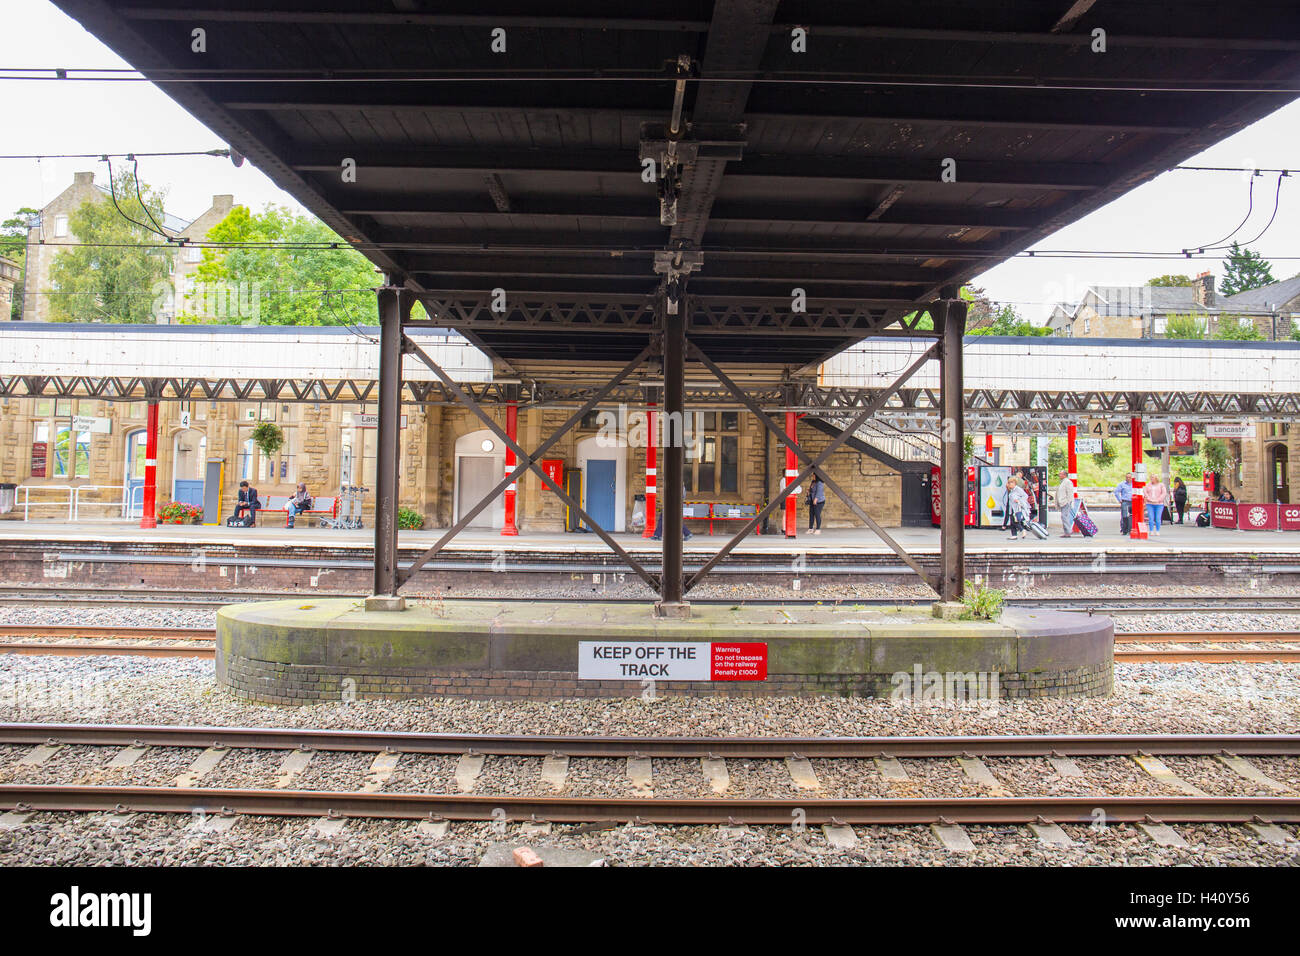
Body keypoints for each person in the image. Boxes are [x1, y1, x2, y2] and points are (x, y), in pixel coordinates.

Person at [1056, 473, 1077, 538]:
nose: (1059, 475)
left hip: (1065, 502)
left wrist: (1068, 502)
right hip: (1062, 502)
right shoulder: (1062, 482)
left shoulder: (1067, 482)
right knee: (1064, 517)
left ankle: (1068, 531)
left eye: (1060, 474)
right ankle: (1066, 531)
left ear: (1064, 475)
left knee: (1064, 516)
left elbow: (1070, 493)